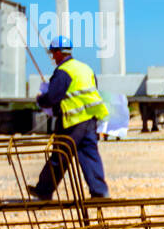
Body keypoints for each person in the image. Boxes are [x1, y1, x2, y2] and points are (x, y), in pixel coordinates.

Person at [29, 36, 110, 200]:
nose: (53, 57)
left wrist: (40, 99)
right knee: (90, 155)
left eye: (53, 53)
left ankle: (43, 191)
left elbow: (53, 97)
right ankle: (100, 192)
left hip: (73, 121)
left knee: (60, 156)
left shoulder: (63, 72)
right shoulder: (85, 68)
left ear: (59, 53)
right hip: (91, 118)